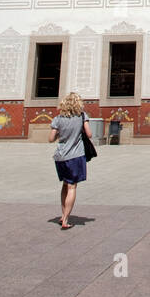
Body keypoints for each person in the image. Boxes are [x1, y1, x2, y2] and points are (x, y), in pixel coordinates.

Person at [48, 92, 93, 229]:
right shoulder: (82, 117)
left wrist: (61, 136)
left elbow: (50, 139)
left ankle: (62, 215)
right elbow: (90, 134)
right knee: (72, 187)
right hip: (75, 156)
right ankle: (66, 219)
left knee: (64, 185)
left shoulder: (58, 119)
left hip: (60, 156)